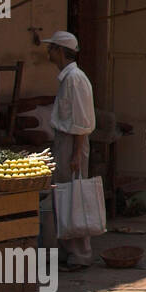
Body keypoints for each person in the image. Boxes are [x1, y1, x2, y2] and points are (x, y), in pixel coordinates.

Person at [44, 31, 97, 269]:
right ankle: (68, 250)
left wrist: (76, 154)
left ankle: (80, 254)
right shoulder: (68, 78)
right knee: (64, 195)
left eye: (51, 48)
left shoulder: (75, 79)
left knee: (74, 196)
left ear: (59, 50)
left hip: (73, 142)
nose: (48, 52)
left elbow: (81, 120)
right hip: (66, 140)